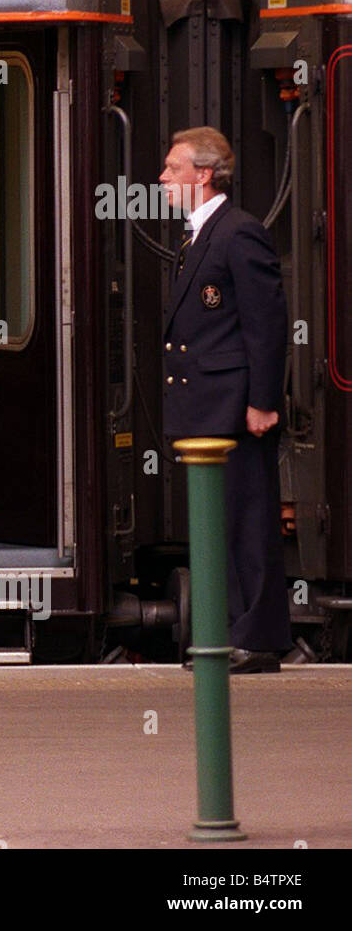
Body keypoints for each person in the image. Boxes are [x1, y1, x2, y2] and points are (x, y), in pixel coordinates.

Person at [160, 126, 291, 674]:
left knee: (248, 519)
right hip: (207, 406)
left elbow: (266, 323)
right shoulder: (200, 235)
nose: (163, 179)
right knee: (221, 521)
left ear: (203, 175)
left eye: (172, 169)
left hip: (234, 407)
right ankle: (230, 633)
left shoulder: (238, 233)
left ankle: (257, 639)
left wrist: (263, 401)